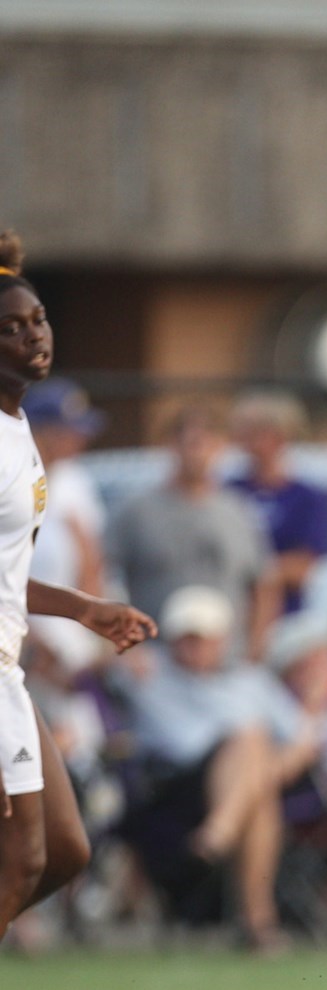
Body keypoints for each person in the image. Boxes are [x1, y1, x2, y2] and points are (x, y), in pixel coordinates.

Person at [0, 231, 157, 945]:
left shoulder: (19, 427)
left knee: (65, 851)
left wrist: (86, 608)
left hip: (11, 668)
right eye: (11, 327)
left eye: (38, 320)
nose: (34, 335)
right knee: (22, 859)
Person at [119, 586, 306, 953]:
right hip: (171, 787)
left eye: (202, 638)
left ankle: (220, 837)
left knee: (256, 769)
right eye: (186, 638)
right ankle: (257, 918)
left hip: (240, 784)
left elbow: (303, 737)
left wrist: (274, 768)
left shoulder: (251, 680)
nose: (193, 647)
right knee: (251, 744)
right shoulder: (146, 672)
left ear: (222, 640)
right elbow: (90, 663)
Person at [107, 403, 278, 660]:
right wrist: (120, 644)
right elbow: (99, 576)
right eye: (192, 443)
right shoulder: (136, 511)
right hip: (157, 660)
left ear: (221, 446)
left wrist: (254, 650)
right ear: (171, 445)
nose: (198, 453)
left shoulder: (239, 512)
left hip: (227, 660)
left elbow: (264, 585)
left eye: (207, 443)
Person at [22, 377, 109, 671]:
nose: (80, 439)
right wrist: (34, 645)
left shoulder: (74, 479)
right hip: (19, 634)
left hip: (67, 632)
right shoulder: (10, 477)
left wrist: (94, 627)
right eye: (68, 431)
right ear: (42, 431)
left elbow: (92, 564)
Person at [228, 391, 327, 617]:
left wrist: (258, 571)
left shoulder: (307, 497)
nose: (245, 439)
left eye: (255, 431)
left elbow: (305, 565)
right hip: (233, 613)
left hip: (288, 616)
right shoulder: (228, 491)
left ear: (280, 436)